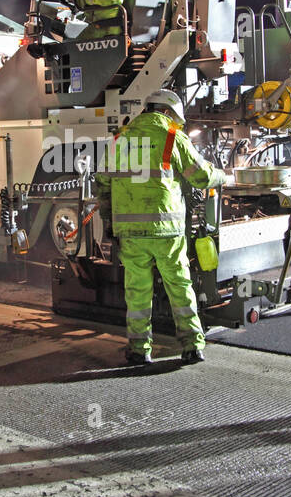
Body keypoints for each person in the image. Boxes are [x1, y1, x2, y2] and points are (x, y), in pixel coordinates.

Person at [96, 89, 227, 366]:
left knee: (137, 291)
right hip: (166, 230)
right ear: (167, 113)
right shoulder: (171, 137)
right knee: (179, 285)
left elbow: (103, 184)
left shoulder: (120, 139)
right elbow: (201, 177)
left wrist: (109, 221)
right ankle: (192, 346)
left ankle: (139, 350)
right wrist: (222, 175)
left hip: (130, 233)